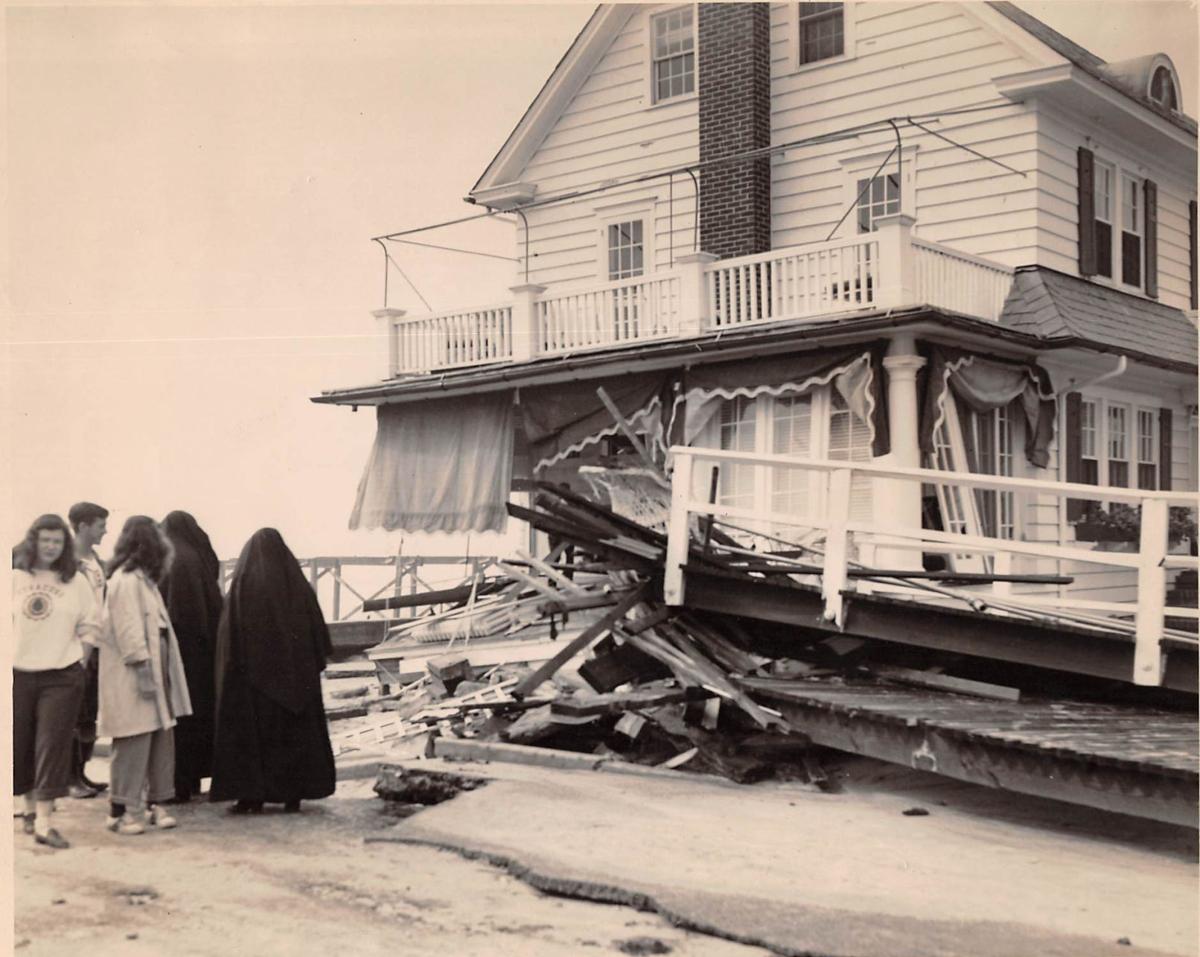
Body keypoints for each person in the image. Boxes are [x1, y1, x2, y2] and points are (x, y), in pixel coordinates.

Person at [210, 528, 335, 813]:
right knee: (294, 737)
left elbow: (229, 639)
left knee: (255, 742)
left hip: (254, 687)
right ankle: (294, 796)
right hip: (297, 685)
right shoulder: (299, 586)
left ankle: (251, 797)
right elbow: (319, 638)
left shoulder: (243, 584)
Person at [98, 516, 193, 835]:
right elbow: (128, 631)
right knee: (134, 738)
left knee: (160, 736)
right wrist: (142, 670)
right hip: (137, 670)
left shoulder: (145, 582)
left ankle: (157, 802)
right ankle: (122, 809)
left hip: (158, 663)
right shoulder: (125, 581)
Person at [12, 514, 100, 849]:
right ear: (34, 541)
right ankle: (29, 809)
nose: (51, 546)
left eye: (57, 541)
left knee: (52, 745)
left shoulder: (75, 581)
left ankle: (46, 822)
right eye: (45, 540)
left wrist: (82, 660)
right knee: (20, 743)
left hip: (61, 675)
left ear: (65, 545)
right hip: (18, 673)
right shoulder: (15, 578)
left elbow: (91, 623)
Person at [159, 511, 222, 803]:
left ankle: (179, 783)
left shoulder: (171, 557)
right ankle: (194, 777)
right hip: (203, 652)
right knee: (199, 715)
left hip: (177, 652)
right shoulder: (198, 555)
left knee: (177, 718)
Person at [67, 501, 110, 798]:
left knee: (89, 713)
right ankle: (69, 777)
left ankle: (82, 771)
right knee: (72, 711)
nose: (105, 531)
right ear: (83, 526)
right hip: (75, 646)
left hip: (98, 645)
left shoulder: (97, 561)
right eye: (100, 525)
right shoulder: (65, 561)